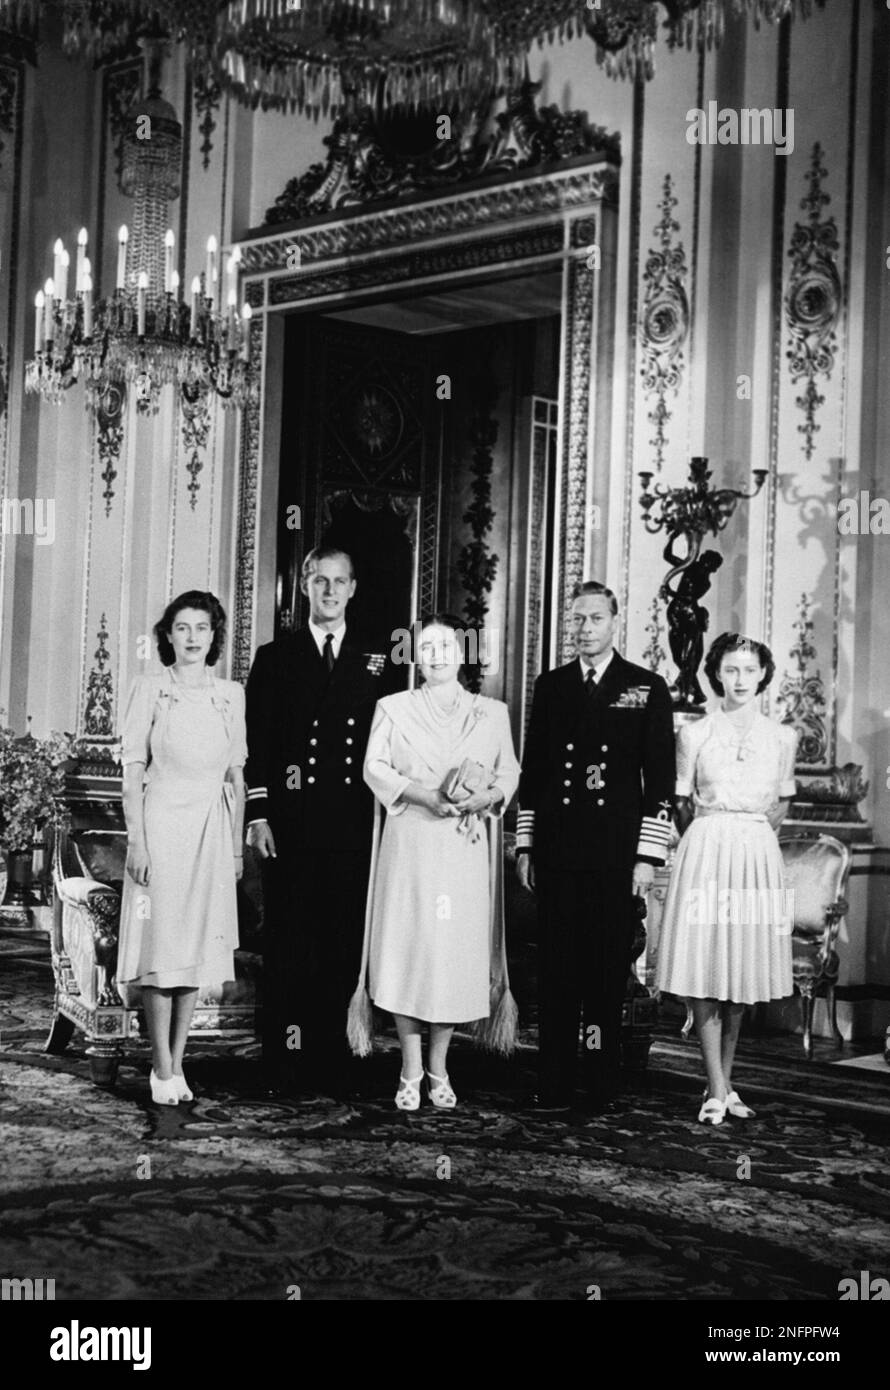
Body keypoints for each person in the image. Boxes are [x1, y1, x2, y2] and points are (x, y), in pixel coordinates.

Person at [516, 581, 675, 1113]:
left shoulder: (645, 687)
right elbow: (534, 770)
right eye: (577, 619)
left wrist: (647, 858)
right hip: (559, 852)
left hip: (615, 854)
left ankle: (600, 1083)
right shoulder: (553, 685)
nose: (584, 629)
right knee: (558, 972)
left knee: (605, 975)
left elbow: (661, 781)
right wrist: (526, 845)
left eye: (594, 619)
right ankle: (554, 1080)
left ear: (614, 622)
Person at [350, 615, 520, 1111]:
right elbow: (373, 767)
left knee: (450, 955)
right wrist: (423, 795)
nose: (437, 654)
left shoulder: (491, 713)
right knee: (411, 950)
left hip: (463, 848)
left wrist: (484, 795)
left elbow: (509, 771)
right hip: (412, 843)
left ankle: (439, 1067)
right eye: (426, 646)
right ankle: (407, 1067)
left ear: (463, 651)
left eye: (446, 645)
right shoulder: (394, 707)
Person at [244, 546, 389, 1098]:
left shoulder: (380, 658)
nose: (330, 592)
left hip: (353, 825)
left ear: (353, 588)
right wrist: (259, 814)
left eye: (340, 582)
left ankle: (335, 1058)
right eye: (320, 581)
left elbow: (392, 743)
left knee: (342, 943)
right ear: (304, 586)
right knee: (289, 943)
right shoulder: (275, 656)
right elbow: (257, 745)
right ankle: (285, 1058)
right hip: (292, 824)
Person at [655, 632, 797, 1124]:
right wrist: (715, 834)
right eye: (731, 669)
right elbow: (679, 801)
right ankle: (715, 1085)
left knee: (741, 969)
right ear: (716, 672)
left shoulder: (783, 737)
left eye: (749, 670)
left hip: (756, 852)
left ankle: (725, 1085)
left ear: (763, 675)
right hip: (707, 848)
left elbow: (782, 805)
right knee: (706, 962)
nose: (740, 679)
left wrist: (748, 836)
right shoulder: (695, 733)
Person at [119, 591, 246, 1107]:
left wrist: (235, 849)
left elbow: (237, 776)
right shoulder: (149, 688)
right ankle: (160, 1065)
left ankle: (180, 1059)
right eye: (182, 628)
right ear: (167, 635)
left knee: (193, 951)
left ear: (214, 636)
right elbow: (131, 772)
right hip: (161, 825)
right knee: (163, 948)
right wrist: (137, 841)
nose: (192, 638)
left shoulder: (232, 694)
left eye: (202, 628)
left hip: (211, 831)